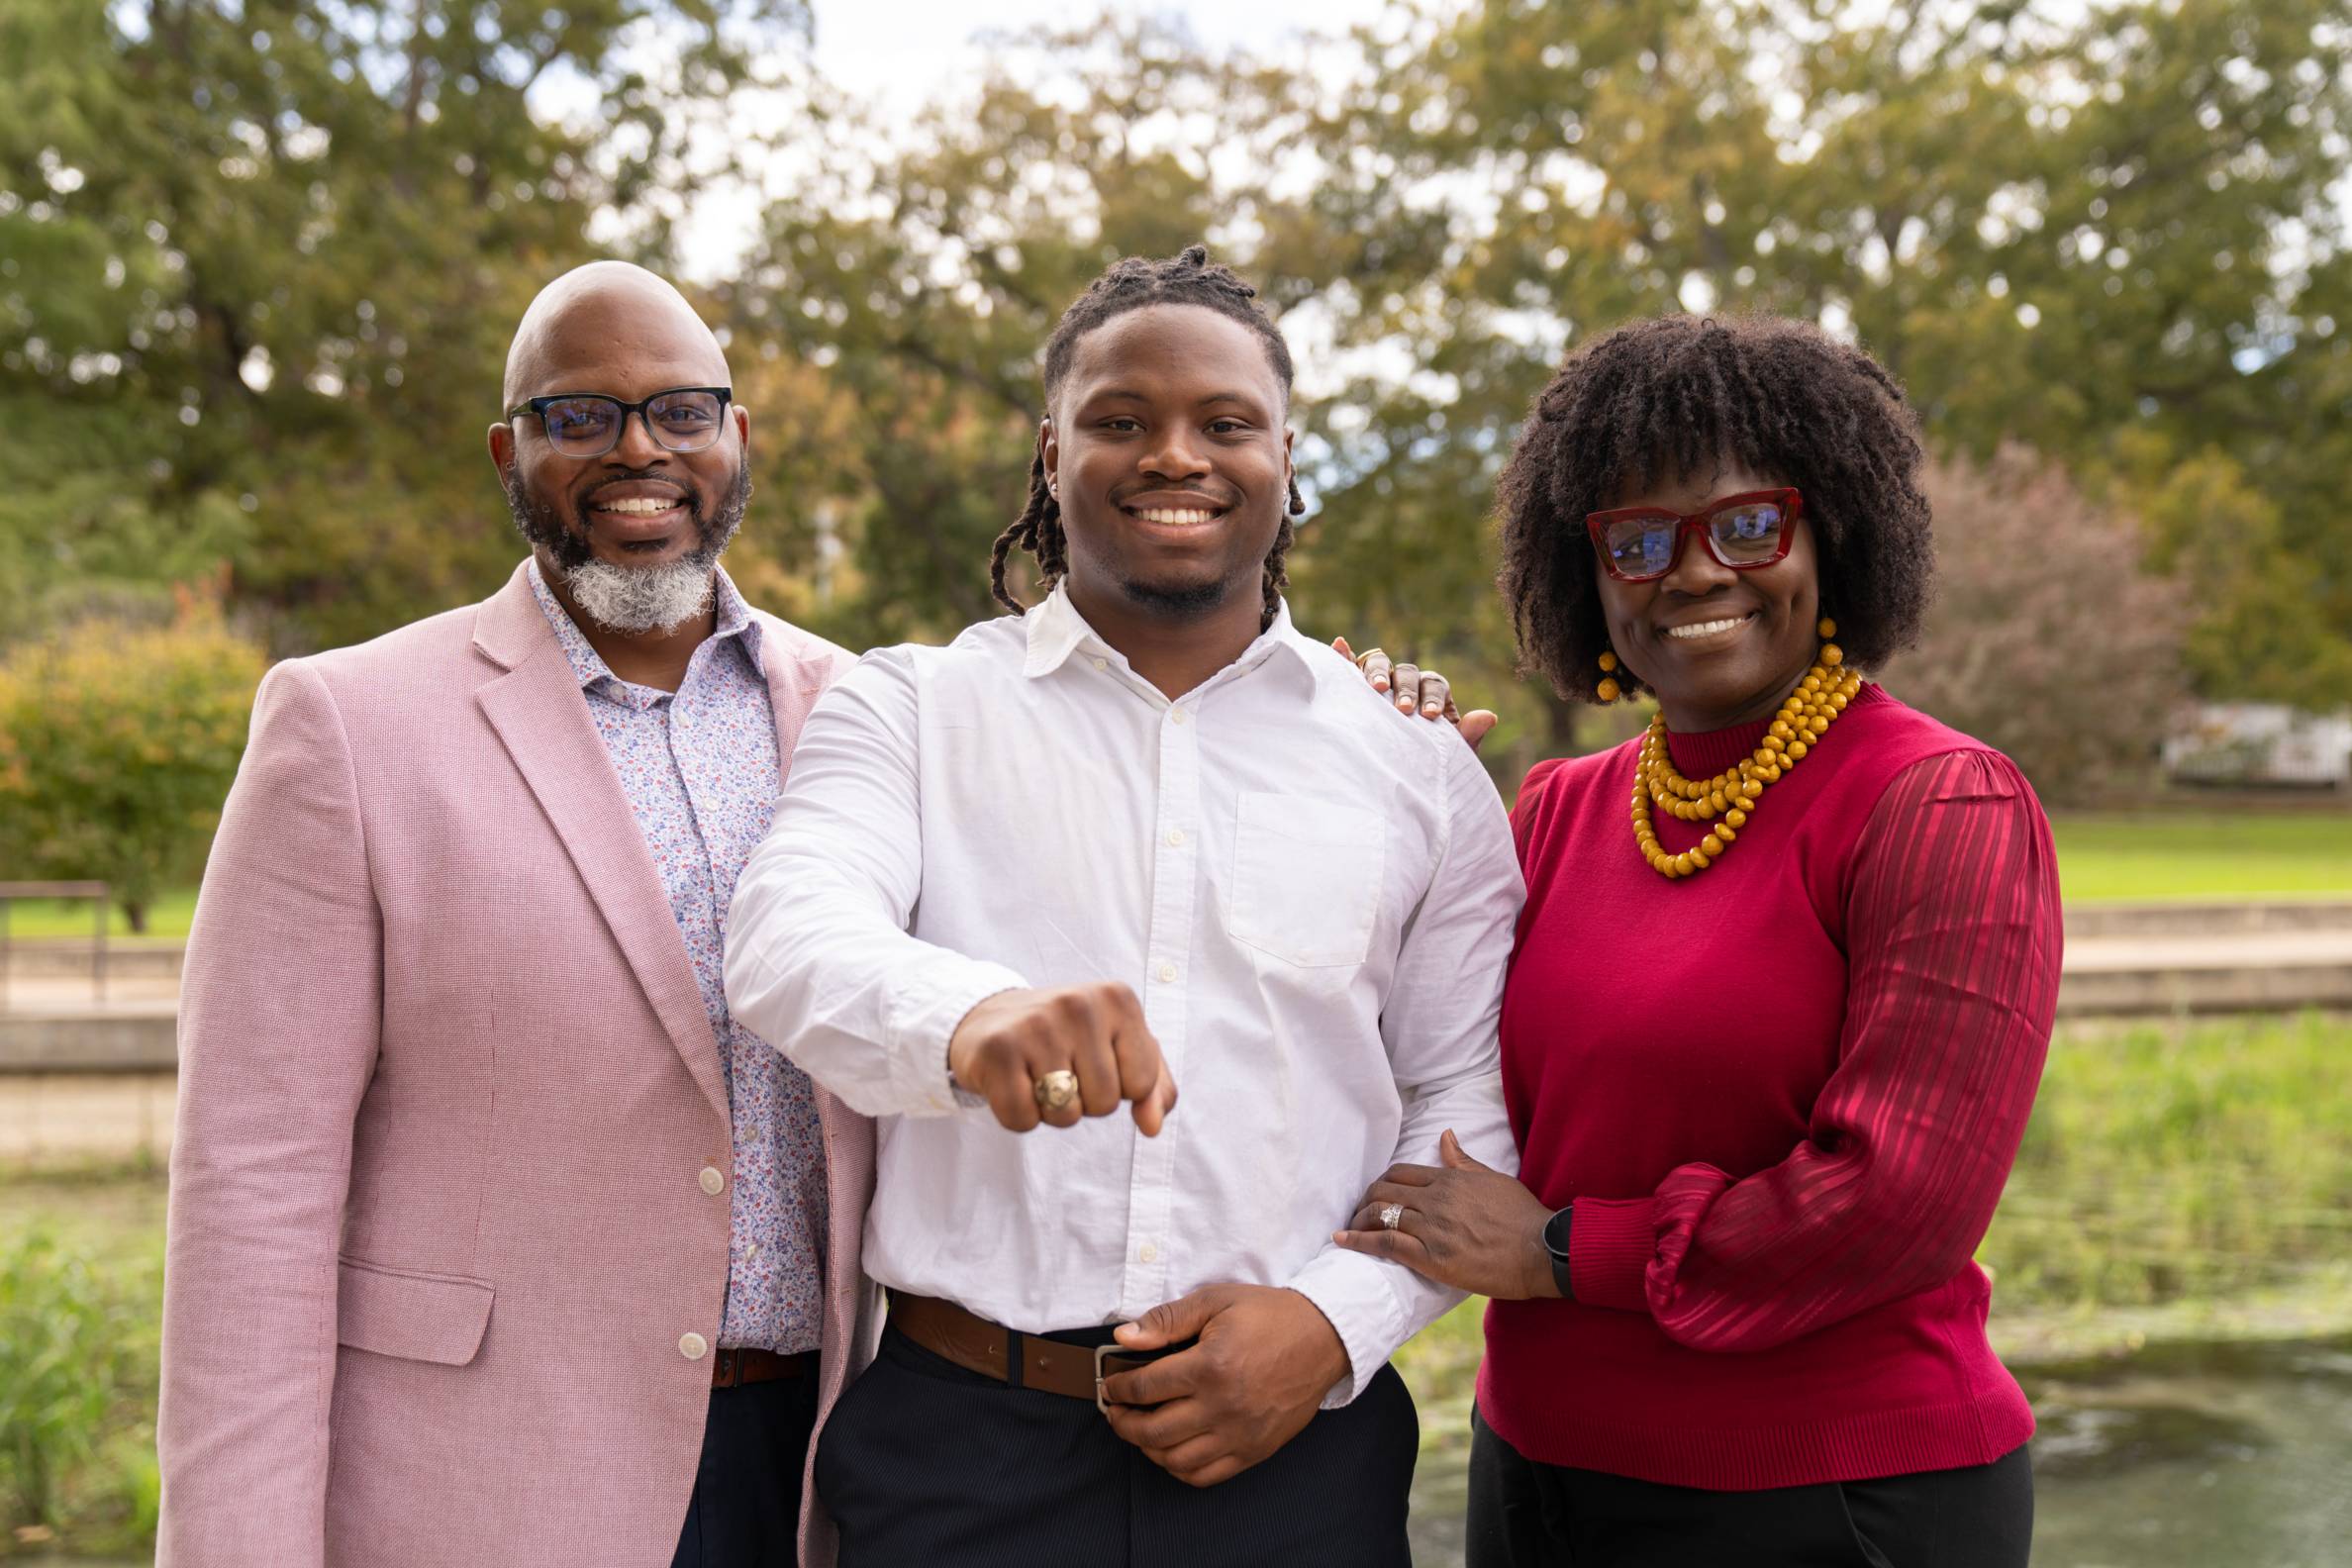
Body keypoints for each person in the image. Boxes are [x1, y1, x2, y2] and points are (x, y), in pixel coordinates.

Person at [722, 245, 1524, 1567]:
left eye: (1224, 424)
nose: (1174, 456)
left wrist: (1333, 1323)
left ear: (1284, 456)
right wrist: (969, 1017)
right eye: (1119, 421)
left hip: (1298, 1460)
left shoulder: (1414, 765)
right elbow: (790, 936)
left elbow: (1468, 1102)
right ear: (1051, 453)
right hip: (959, 1462)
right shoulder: (911, 706)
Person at [158, 262, 878, 1568]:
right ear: (512, 451)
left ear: (738, 440)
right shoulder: (347, 726)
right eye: (579, 417)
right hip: (487, 1489)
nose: (638, 451)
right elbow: (248, 1206)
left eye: (681, 411)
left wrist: (1363, 716)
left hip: (819, 1475)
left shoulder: (865, 717)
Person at [1336, 314, 2060, 1567]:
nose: (1694, 573)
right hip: (1540, 1475)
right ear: (1589, 574)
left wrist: (1560, 1253)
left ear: (1830, 532)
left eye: (1744, 525)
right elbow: (1394, 1056)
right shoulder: (1556, 810)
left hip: (1827, 1495)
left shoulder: (1939, 803)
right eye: (1637, 539)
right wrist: (1382, 788)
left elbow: (1900, 1205)